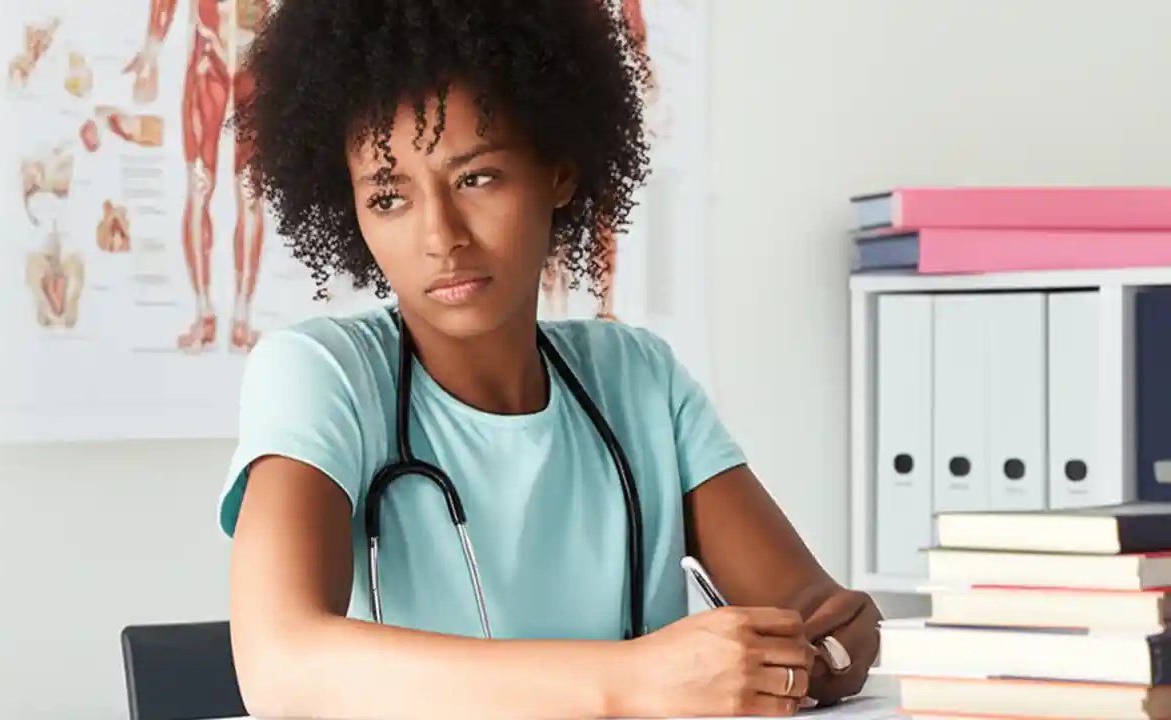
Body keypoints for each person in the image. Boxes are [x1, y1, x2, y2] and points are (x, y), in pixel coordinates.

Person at [220, 1, 882, 718]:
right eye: (389, 196)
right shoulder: (323, 374)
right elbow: (279, 667)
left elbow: (809, 608)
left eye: (477, 178)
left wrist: (829, 647)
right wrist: (633, 683)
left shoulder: (638, 378)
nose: (441, 236)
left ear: (559, 173)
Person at [124, 0, 271, 354]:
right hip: (209, 57)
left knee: (250, 193)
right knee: (200, 186)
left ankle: (240, 317)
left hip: (255, 58)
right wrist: (151, 48)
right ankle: (207, 312)